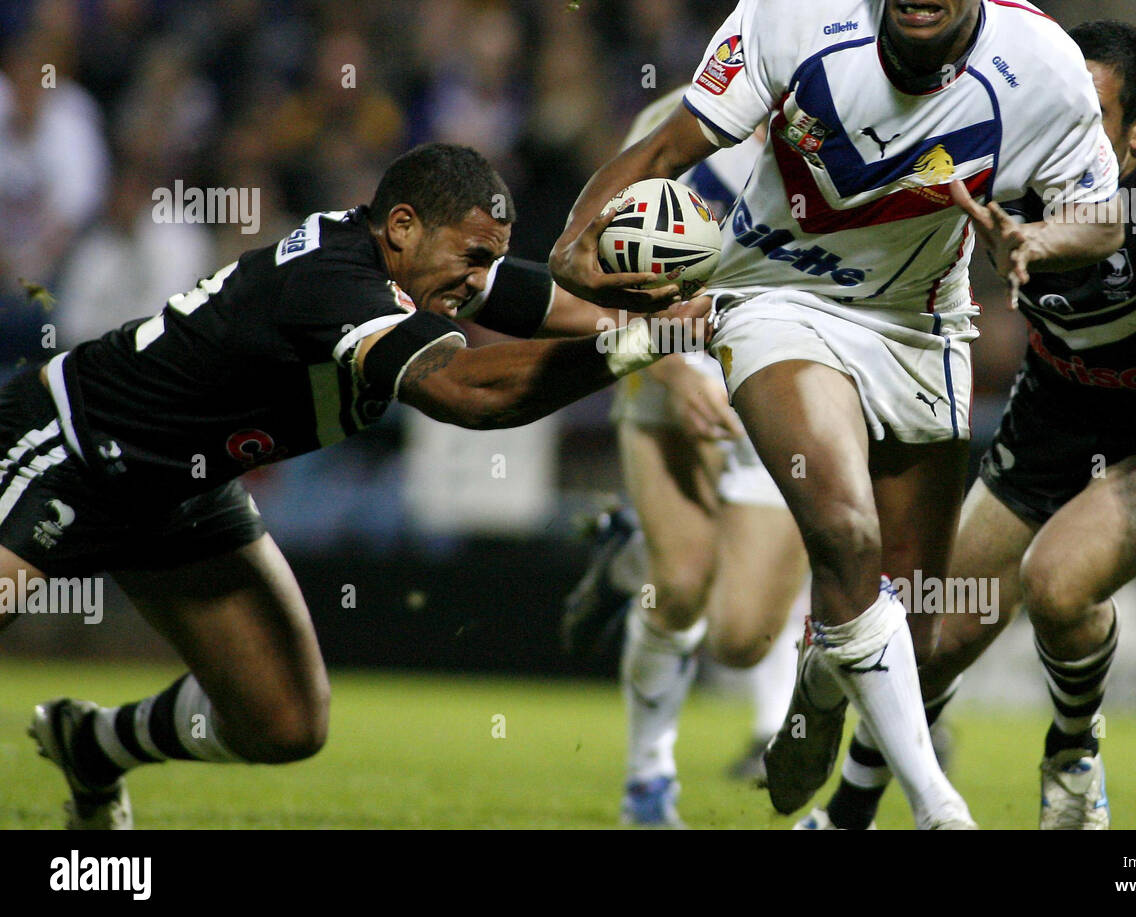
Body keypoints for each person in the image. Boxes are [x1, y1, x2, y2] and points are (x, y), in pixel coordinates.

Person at [550, 0, 1124, 829]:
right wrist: (577, 239)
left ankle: (818, 689)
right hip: (776, 298)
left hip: (918, 322)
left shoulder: (1046, 70)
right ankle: (937, 807)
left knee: (904, 613)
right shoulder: (784, 20)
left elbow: (1101, 217)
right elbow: (660, 153)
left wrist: (1037, 239)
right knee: (840, 538)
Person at [2, 142, 706, 830]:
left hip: (183, 489)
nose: (477, 281)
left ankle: (94, 746)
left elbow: (542, 301)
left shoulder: (415, 260)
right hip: (74, 444)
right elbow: (468, 395)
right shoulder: (334, 279)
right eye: (473, 258)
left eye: (489, 259)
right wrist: (638, 343)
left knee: (285, 722)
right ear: (401, 226)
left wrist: (670, 319)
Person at [805, 21, 1136, 830]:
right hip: (1056, 423)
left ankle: (1073, 762)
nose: (1061, 129)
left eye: (1086, 112)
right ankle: (849, 811)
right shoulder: (1002, 171)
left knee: (1057, 581)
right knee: (932, 637)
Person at [566, 0, 884, 828]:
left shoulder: (890, 119)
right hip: (678, 367)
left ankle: (627, 557)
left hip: (789, 377)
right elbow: (599, 255)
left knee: (744, 639)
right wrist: (664, 365)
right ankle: (646, 780)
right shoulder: (697, 107)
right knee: (683, 587)